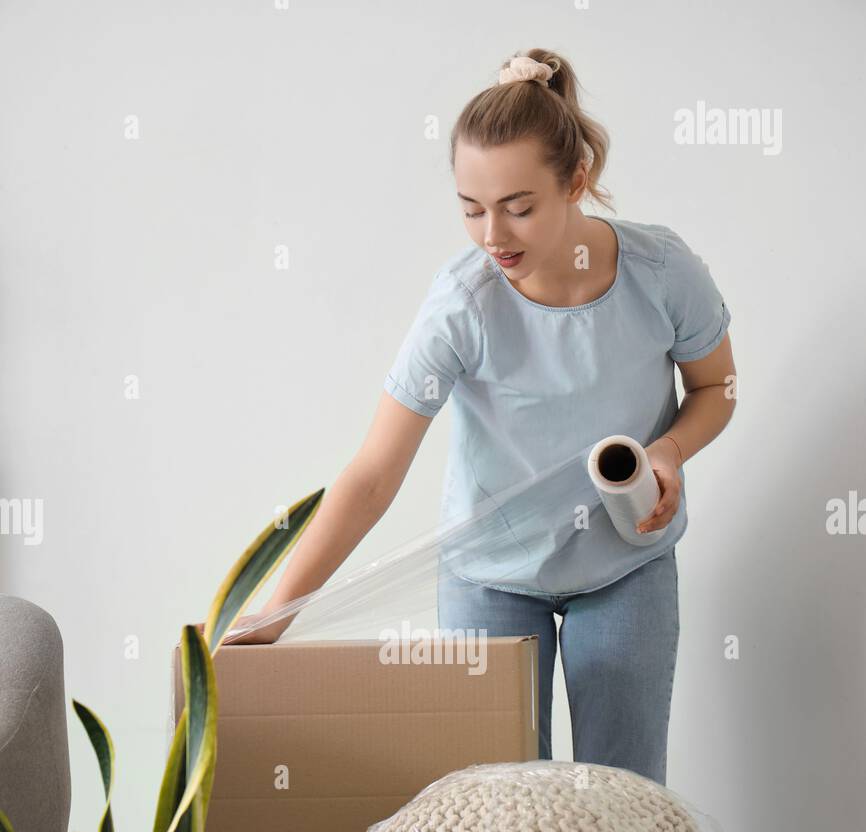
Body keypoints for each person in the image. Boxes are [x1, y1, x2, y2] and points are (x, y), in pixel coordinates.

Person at [221, 48, 736, 785]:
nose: (493, 235)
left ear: (577, 183)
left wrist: (670, 452)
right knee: (496, 811)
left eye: (519, 207)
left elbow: (717, 387)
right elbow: (372, 475)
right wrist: (276, 613)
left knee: (623, 802)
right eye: (471, 209)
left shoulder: (661, 274)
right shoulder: (463, 305)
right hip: (493, 576)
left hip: (626, 562)